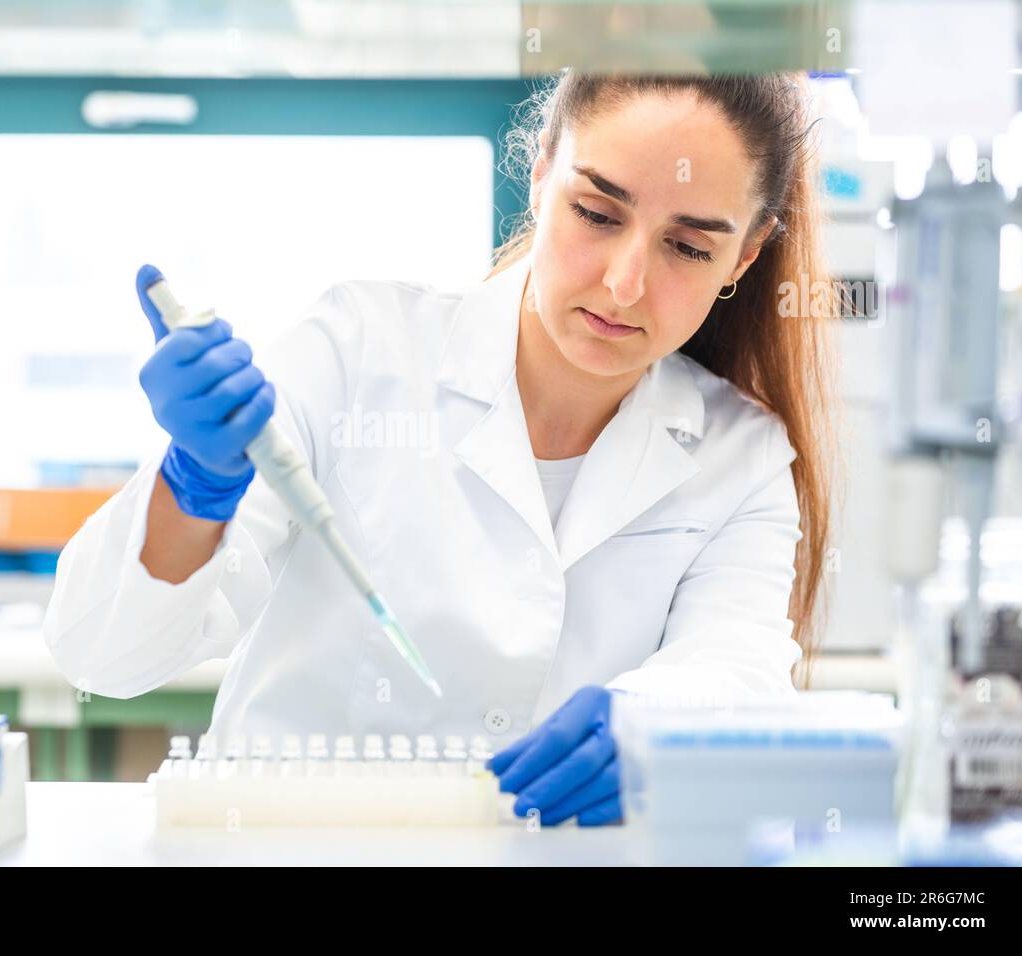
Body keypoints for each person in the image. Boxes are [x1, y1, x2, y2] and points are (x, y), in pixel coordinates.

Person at [42, 71, 838, 827]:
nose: (626, 282)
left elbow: (736, 666)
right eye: (597, 214)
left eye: (689, 248)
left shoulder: (742, 459)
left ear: (744, 254)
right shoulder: (357, 354)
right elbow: (102, 655)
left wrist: (657, 726)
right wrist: (194, 484)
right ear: (540, 172)